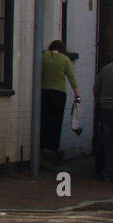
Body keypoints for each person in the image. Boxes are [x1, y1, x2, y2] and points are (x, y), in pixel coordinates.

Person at [40, 40, 79, 169]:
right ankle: (53, 150)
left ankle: (42, 148)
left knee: (44, 121)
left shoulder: (43, 56)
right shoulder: (64, 59)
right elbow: (71, 76)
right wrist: (76, 93)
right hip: (59, 94)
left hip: (44, 92)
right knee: (56, 122)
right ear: (62, 49)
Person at [95, 57, 113, 181]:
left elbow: (96, 89)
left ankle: (108, 172)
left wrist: (100, 102)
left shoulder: (105, 69)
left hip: (106, 109)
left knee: (109, 141)